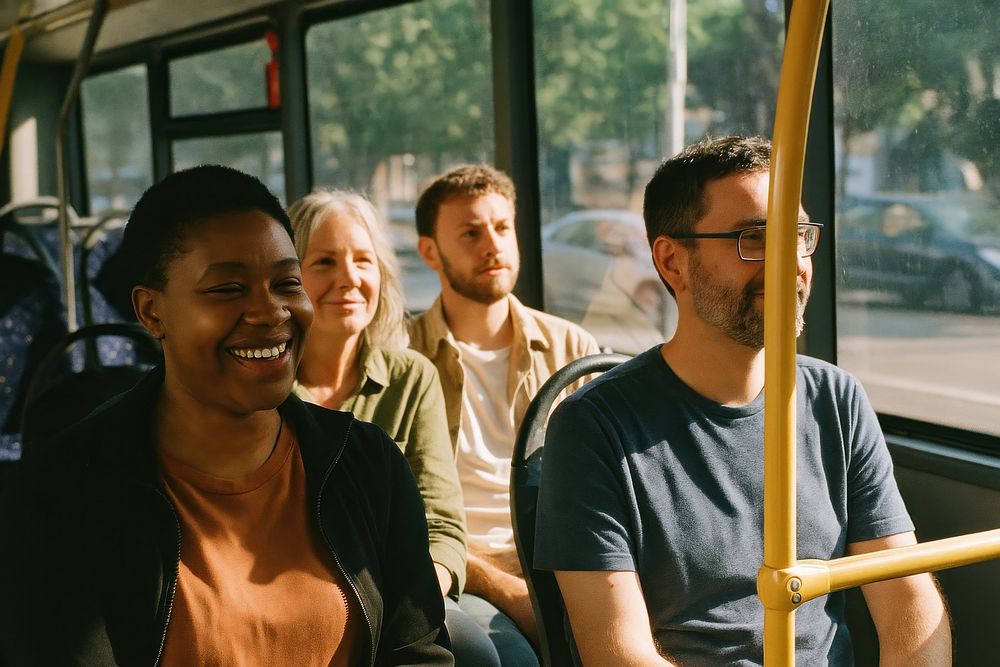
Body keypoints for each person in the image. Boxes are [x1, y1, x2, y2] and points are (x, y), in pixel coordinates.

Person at [0, 165, 452, 666]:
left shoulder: (367, 465)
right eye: (227, 289)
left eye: (286, 282)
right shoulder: (62, 493)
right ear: (151, 312)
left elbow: (417, 656)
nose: (270, 312)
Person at [534, 136, 952, 666]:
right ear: (672, 262)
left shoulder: (836, 400)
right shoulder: (593, 428)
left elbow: (907, 600)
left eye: (798, 237)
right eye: (753, 238)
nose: (789, 264)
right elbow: (619, 653)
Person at [288, 189, 498, 665]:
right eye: (324, 262)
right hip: (295, 593)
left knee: (480, 656)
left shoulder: (412, 377)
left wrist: (412, 597)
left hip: (400, 592)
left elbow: (444, 525)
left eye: (363, 261)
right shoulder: (265, 386)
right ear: (288, 277)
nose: (349, 278)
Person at [409, 164, 600, 665]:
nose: (491, 245)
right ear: (430, 251)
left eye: (501, 227)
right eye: (470, 233)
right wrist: (511, 592)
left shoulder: (569, 346)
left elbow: (601, 485)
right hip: (459, 569)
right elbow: (405, 519)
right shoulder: (404, 356)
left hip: (561, 562)